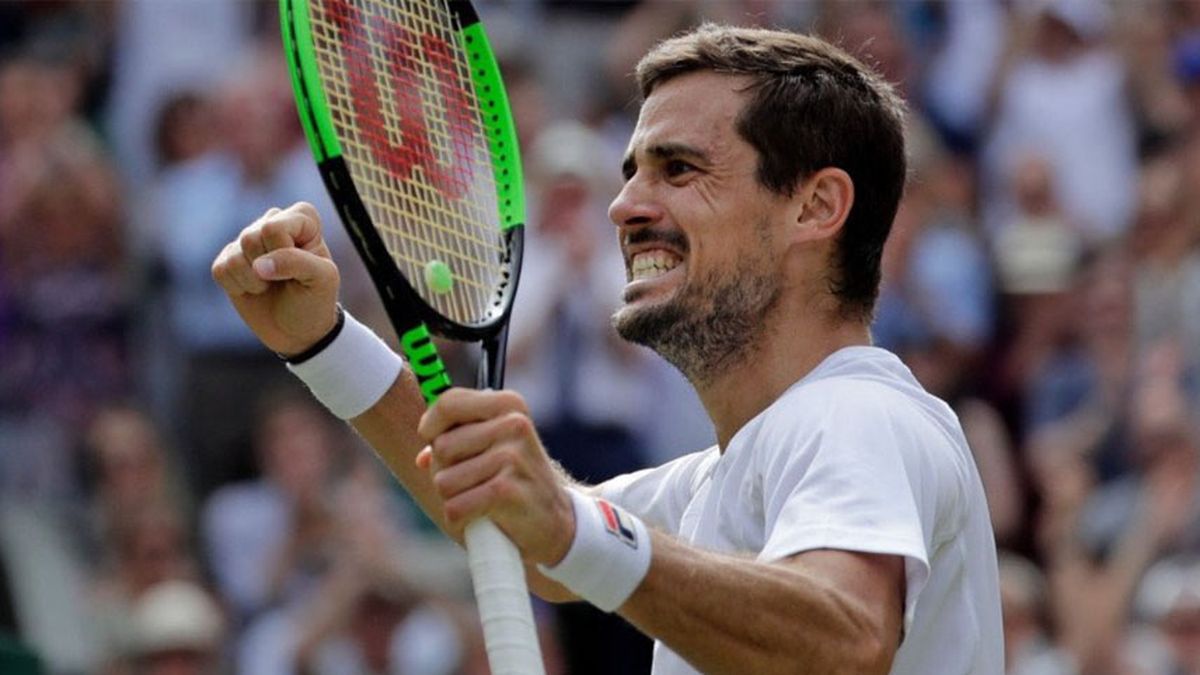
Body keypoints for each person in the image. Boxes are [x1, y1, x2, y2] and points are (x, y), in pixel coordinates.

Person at [212, 24, 1003, 674]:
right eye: (629, 173)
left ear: (816, 206)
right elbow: (532, 543)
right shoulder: (727, 471)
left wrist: (568, 525)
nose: (623, 205)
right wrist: (325, 343)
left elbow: (845, 636)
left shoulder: (855, 412)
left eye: (679, 168)